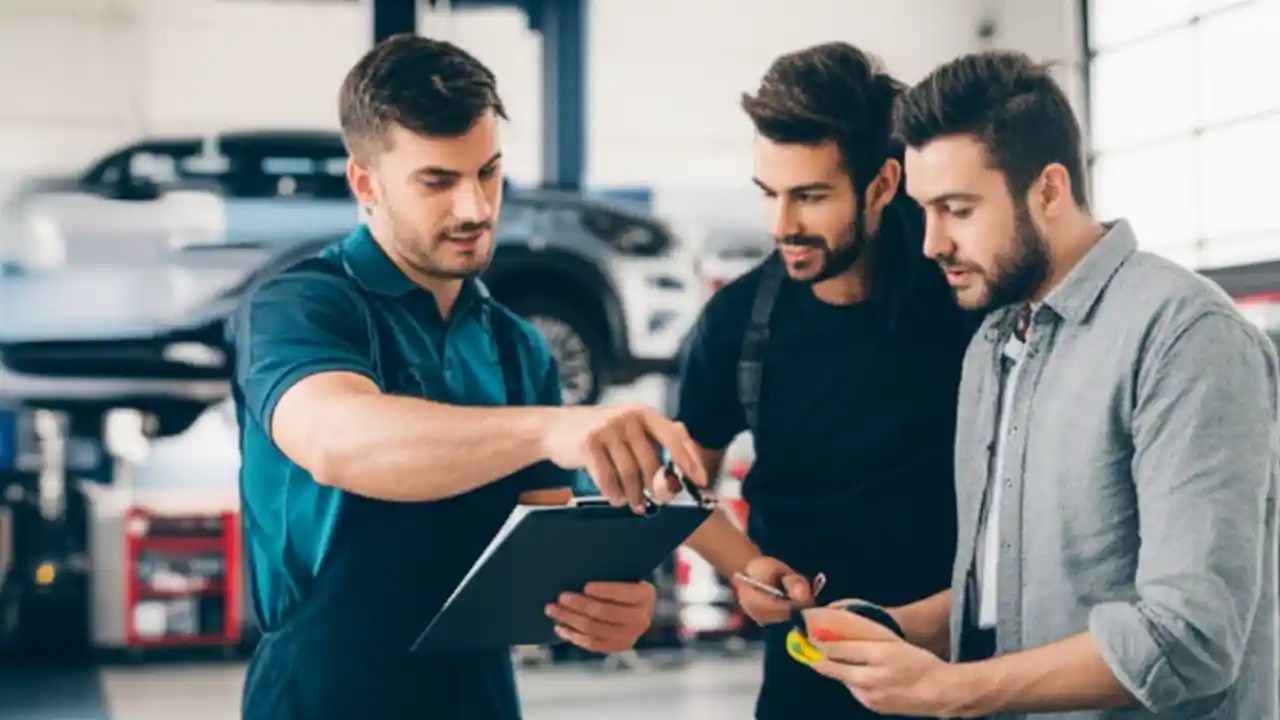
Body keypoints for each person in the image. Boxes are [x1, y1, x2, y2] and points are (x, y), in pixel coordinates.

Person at [229, 35, 706, 720]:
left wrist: (611, 604)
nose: (475, 208)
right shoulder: (300, 307)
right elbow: (338, 440)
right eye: (438, 181)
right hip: (321, 698)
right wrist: (552, 426)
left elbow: (549, 556)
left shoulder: (517, 349)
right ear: (365, 183)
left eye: (488, 173)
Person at [804, 50, 1280, 719]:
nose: (931, 242)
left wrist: (951, 690)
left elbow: (1189, 638)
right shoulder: (995, 345)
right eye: (924, 210)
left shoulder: (1185, 335)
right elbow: (1019, 590)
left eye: (957, 209)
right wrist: (896, 629)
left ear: (1049, 191)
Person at [666, 42, 976, 719]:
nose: (783, 225)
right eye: (770, 195)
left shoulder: (960, 303)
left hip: (959, 676)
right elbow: (681, 486)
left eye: (809, 197)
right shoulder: (738, 323)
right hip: (804, 683)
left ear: (883, 185)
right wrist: (745, 566)